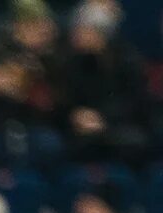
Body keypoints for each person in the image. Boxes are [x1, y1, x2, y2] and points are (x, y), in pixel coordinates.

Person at [0, 2, 62, 167]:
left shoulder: (54, 59)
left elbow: (55, 104)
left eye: (37, 26)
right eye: (27, 26)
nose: (33, 32)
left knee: (49, 143)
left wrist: (28, 88)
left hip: (34, 123)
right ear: (16, 27)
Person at [58, 3, 151, 167]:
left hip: (120, 123)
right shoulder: (73, 61)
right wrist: (78, 114)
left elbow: (135, 101)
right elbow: (68, 98)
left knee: (133, 142)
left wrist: (103, 119)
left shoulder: (128, 60)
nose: (76, 35)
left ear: (100, 34)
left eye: (83, 30)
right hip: (84, 125)